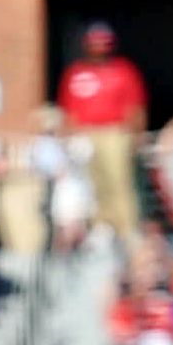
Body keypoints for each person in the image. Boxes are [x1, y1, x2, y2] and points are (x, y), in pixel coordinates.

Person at [57, 20, 147, 238]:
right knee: (92, 184)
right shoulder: (76, 73)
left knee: (119, 182)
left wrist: (136, 135)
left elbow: (135, 107)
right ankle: (102, 228)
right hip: (85, 134)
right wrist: (68, 138)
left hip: (114, 133)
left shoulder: (123, 71)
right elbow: (68, 111)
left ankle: (127, 229)